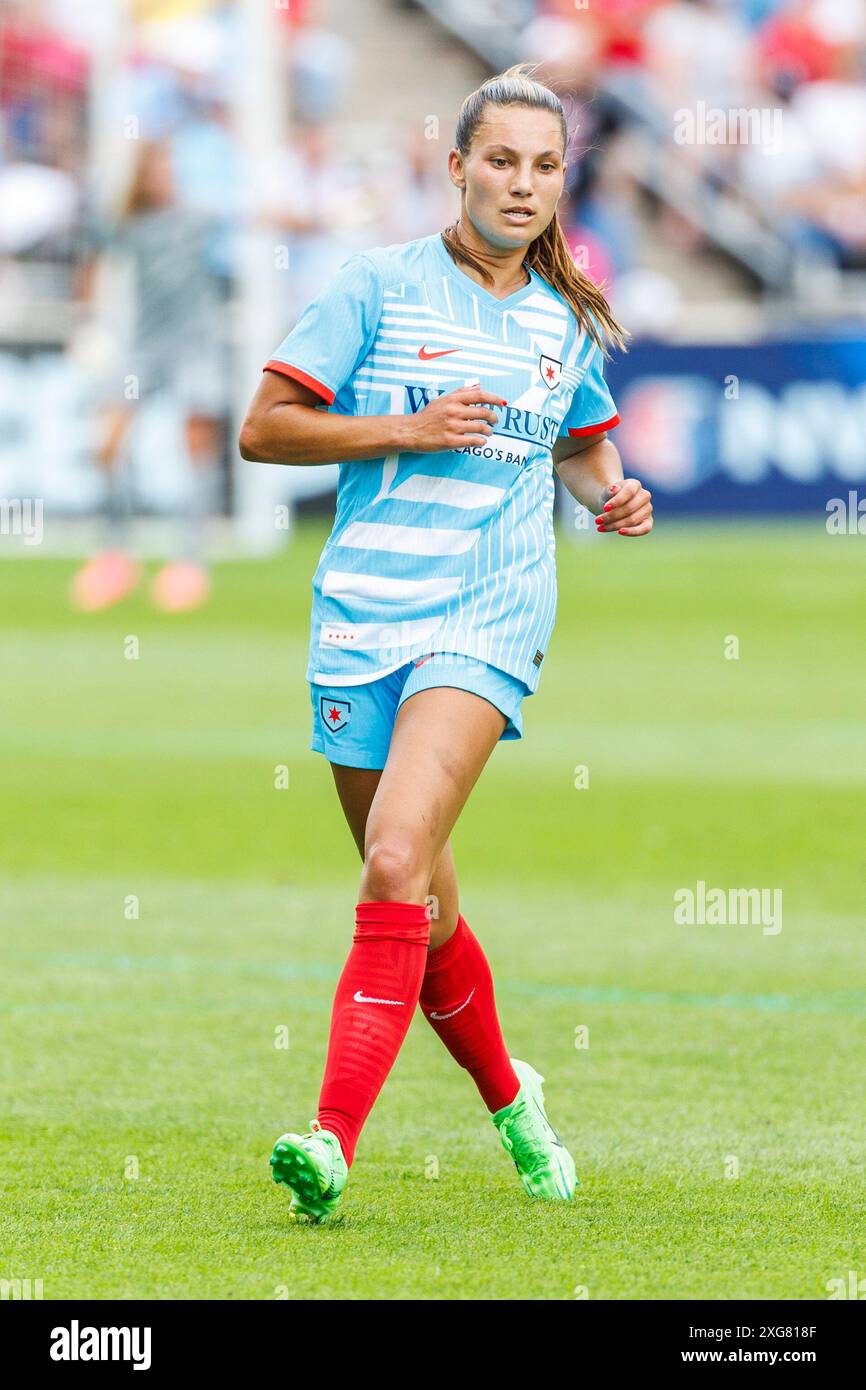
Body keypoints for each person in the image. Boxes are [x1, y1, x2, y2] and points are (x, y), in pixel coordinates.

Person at [240, 65, 653, 1222]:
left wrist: (612, 495)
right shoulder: (374, 286)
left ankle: (329, 1143)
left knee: (390, 856)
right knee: (423, 908)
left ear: (561, 179)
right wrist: (401, 430)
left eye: (542, 165)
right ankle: (513, 1100)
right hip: (362, 615)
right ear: (457, 165)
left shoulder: (565, 319)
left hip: (488, 614)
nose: (521, 184)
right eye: (501, 161)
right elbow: (262, 429)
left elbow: (580, 451)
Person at [71, 140, 225, 613]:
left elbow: (261, 217)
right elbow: (90, 259)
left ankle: (188, 562)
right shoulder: (125, 224)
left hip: (193, 347)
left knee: (195, 443)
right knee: (109, 442)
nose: (166, 178)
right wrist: (88, 319)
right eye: (157, 170)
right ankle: (116, 555)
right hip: (142, 347)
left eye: (170, 169)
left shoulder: (197, 220)